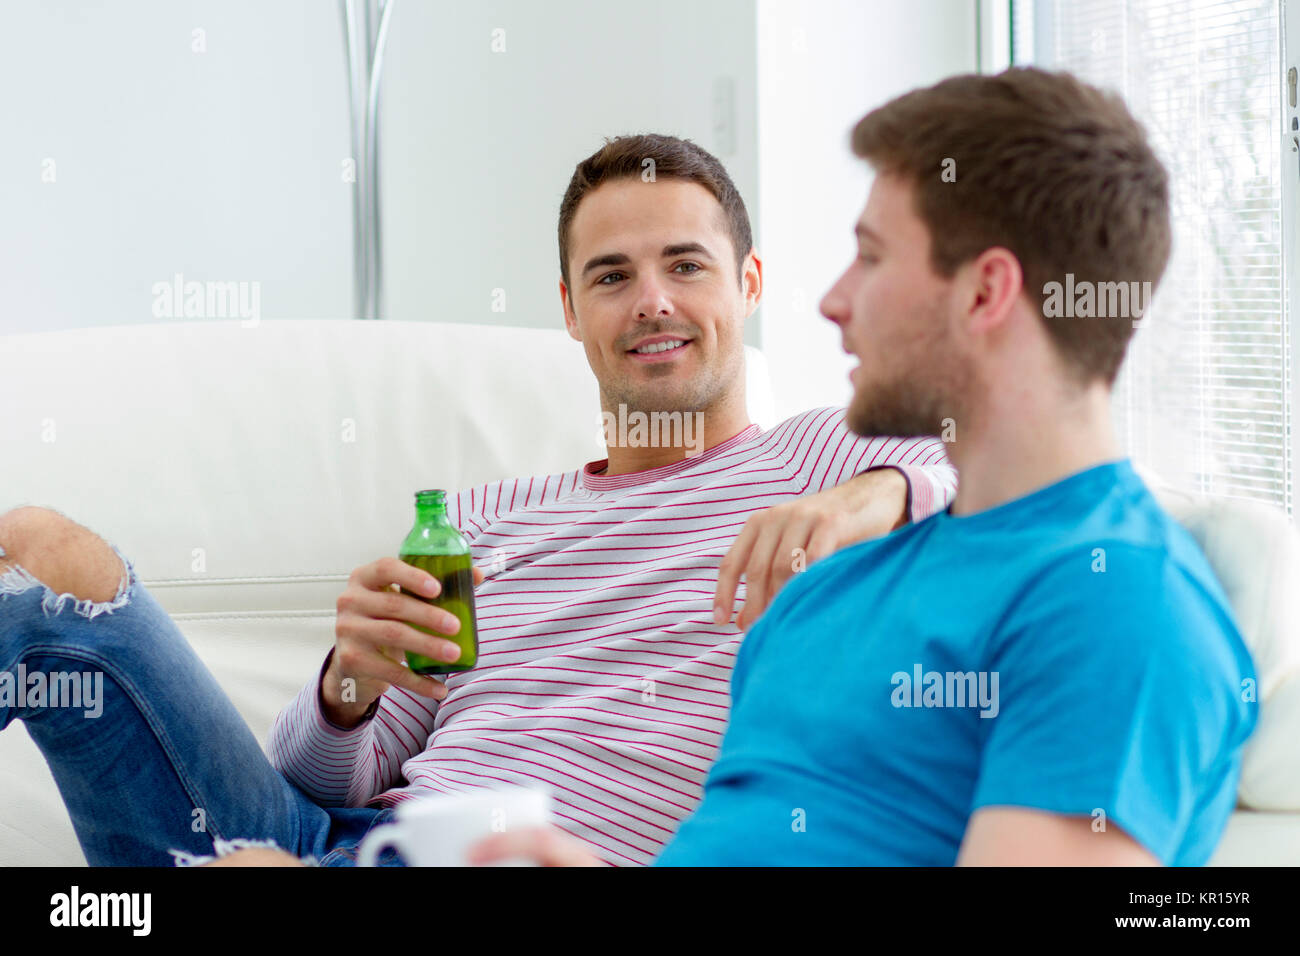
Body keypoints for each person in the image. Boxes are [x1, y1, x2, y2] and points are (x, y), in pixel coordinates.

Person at [0, 133, 954, 867]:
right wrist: (348, 690)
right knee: (41, 553)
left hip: (528, 856)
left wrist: (862, 501)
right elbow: (319, 778)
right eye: (612, 276)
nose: (652, 300)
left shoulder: (816, 456)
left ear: (747, 284)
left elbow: (983, 455)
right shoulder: (483, 517)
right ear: (572, 312)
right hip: (332, 834)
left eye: (686, 264)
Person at [468, 66, 1259, 867]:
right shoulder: (820, 595)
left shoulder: (1113, 598)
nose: (832, 301)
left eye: (871, 259)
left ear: (986, 294)